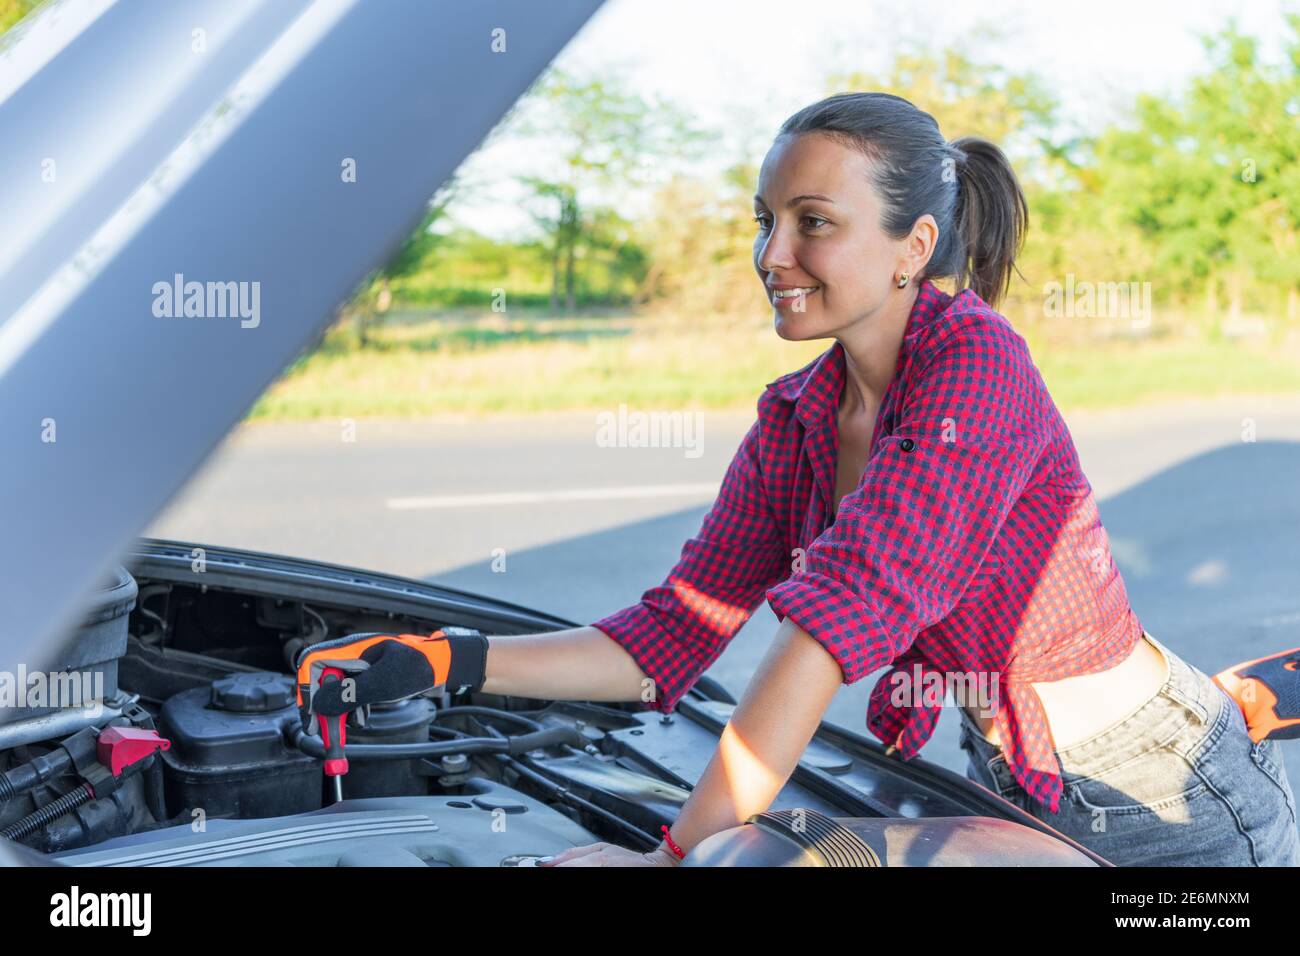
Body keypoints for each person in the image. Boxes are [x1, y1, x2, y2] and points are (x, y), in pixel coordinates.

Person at [476, 91, 1300, 867]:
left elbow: (842, 609)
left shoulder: (979, 364)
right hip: (1007, 777)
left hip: (1166, 789)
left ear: (913, 247)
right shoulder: (796, 416)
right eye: (765, 221)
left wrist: (674, 856)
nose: (772, 254)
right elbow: (666, 637)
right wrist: (446, 660)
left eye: (814, 223)